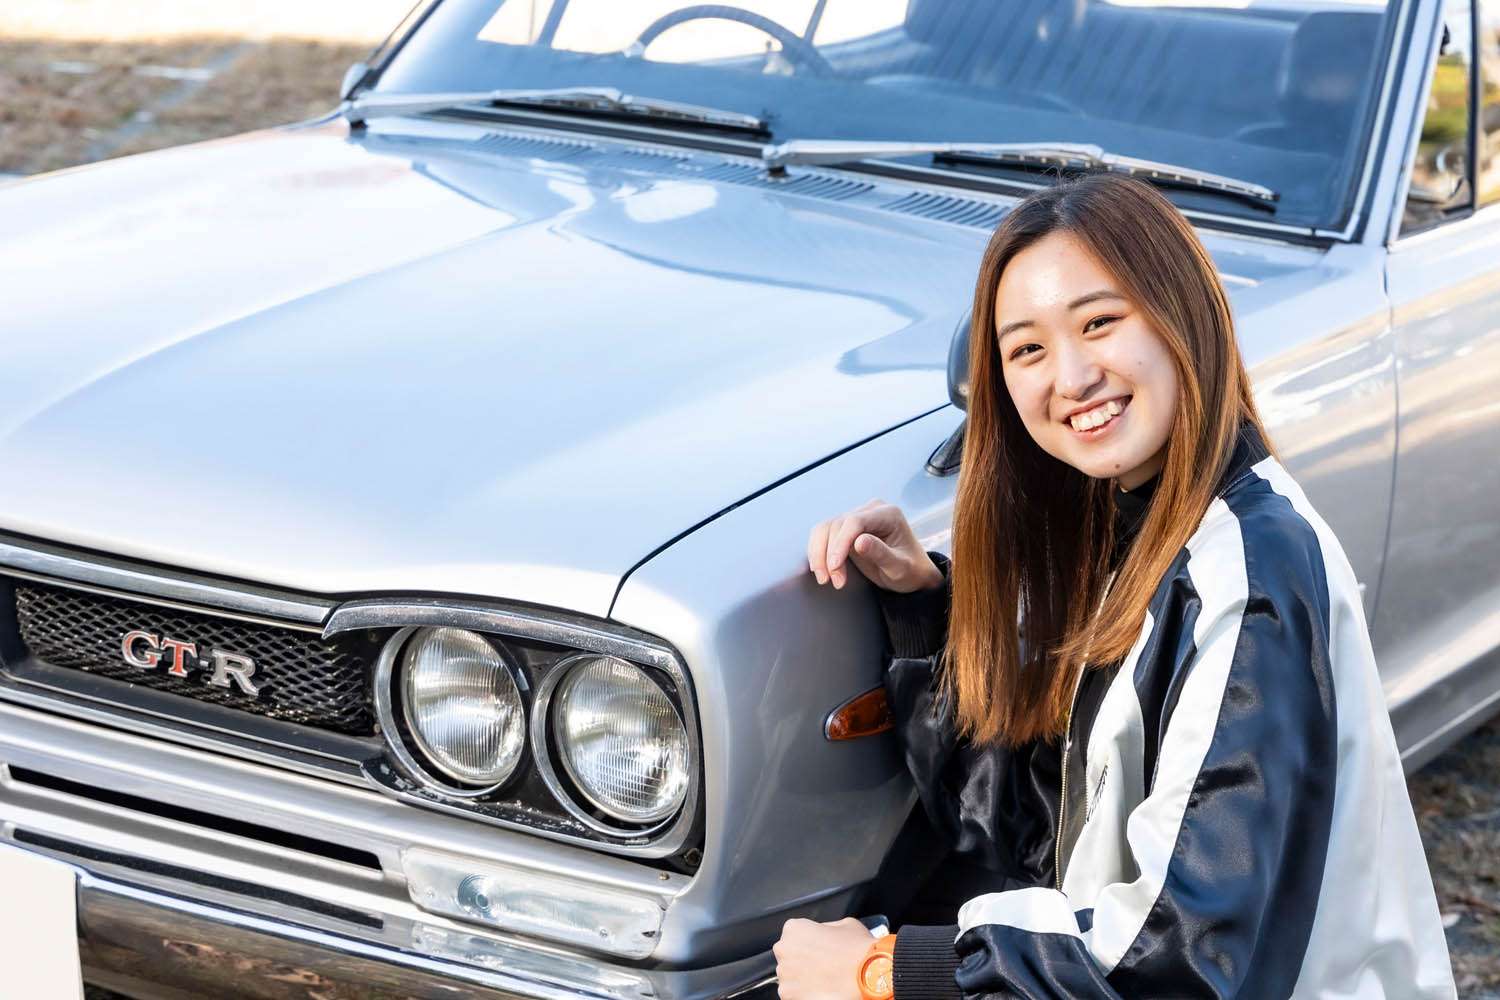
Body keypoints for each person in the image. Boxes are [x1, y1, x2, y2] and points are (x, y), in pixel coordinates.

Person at [782, 174, 1456, 999]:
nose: (1069, 377)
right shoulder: (1129, 534)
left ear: (1182, 317)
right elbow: (1040, 836)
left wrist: (881, 974)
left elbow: (1186, 956)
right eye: (1027, 349)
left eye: (1100, 323)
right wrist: (927, 613)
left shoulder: (1247, 576)